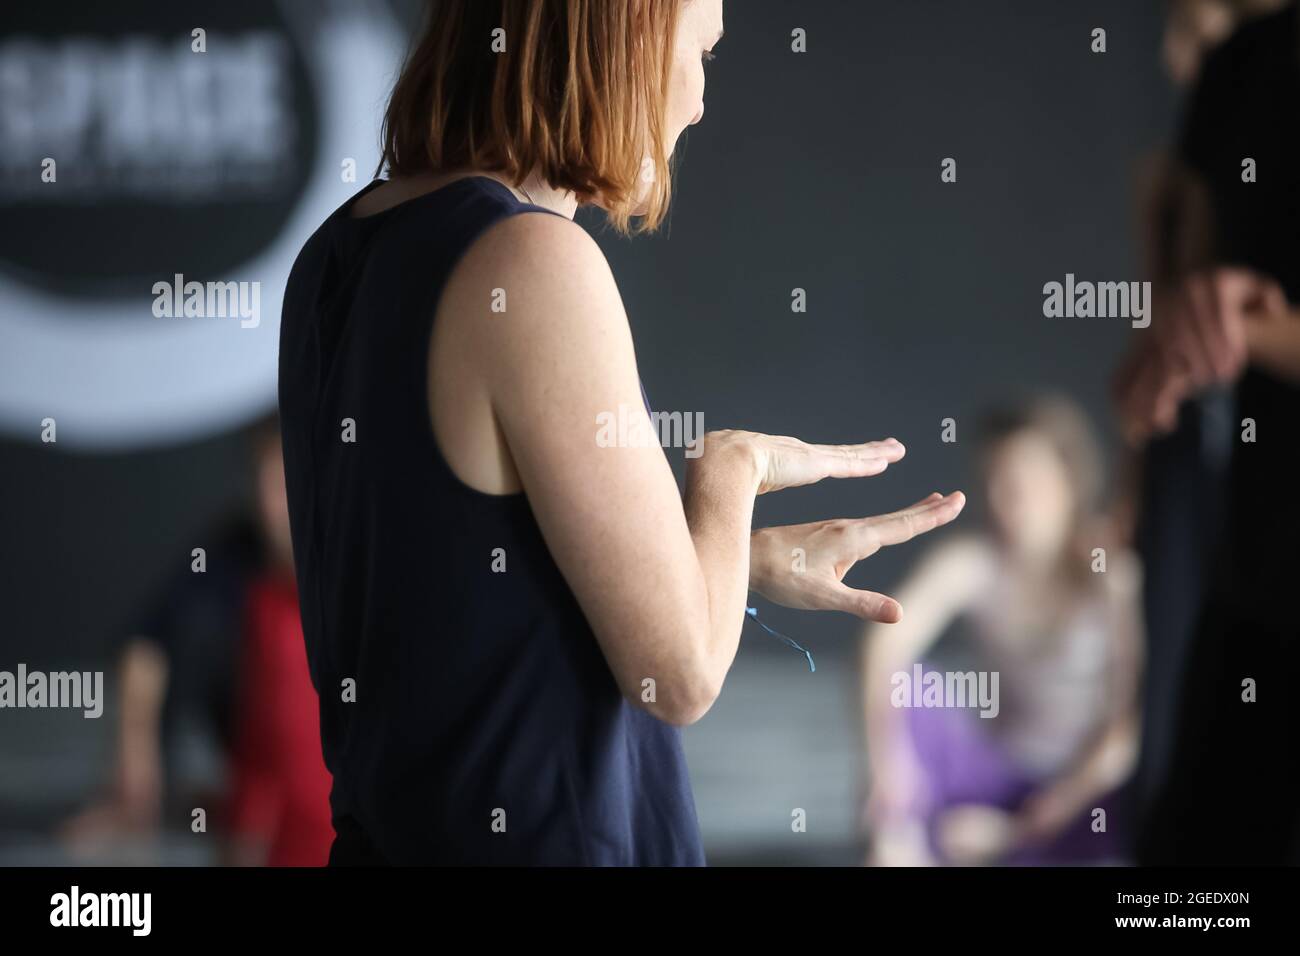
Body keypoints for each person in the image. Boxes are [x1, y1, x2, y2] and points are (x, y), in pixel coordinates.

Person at [277, 0, 965, 866]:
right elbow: (678, 676)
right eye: (702, 52)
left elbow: (455, 585)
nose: (701, 100)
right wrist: (731, 469)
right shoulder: (531, 260)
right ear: (626, 35)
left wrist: (725, 565)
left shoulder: (335, 254)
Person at [1116, 0, 1300, 864]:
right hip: (1257, 578)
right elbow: (1190, 299)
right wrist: (1172, 347)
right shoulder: (1242, 71)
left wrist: (1258, 329)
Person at [860, 399, 1142, 866]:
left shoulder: (1109, 571)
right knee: (909, 683)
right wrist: (884, 768)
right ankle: (898, 847)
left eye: (1023, 479)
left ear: (1068, 481)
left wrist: (1017, 831)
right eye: (993, 478)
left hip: (1077, 793)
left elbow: (1127, 728)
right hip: (992, 776)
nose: (1003, 496)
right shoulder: (974, 560)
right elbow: (882, 643)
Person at [60, 416, 334, 866]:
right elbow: (144, 648)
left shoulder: (360, 562)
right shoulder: (232, 556)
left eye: (289, 485)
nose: (274, 508)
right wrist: (137, 780)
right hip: (259, 822)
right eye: (264, 485)